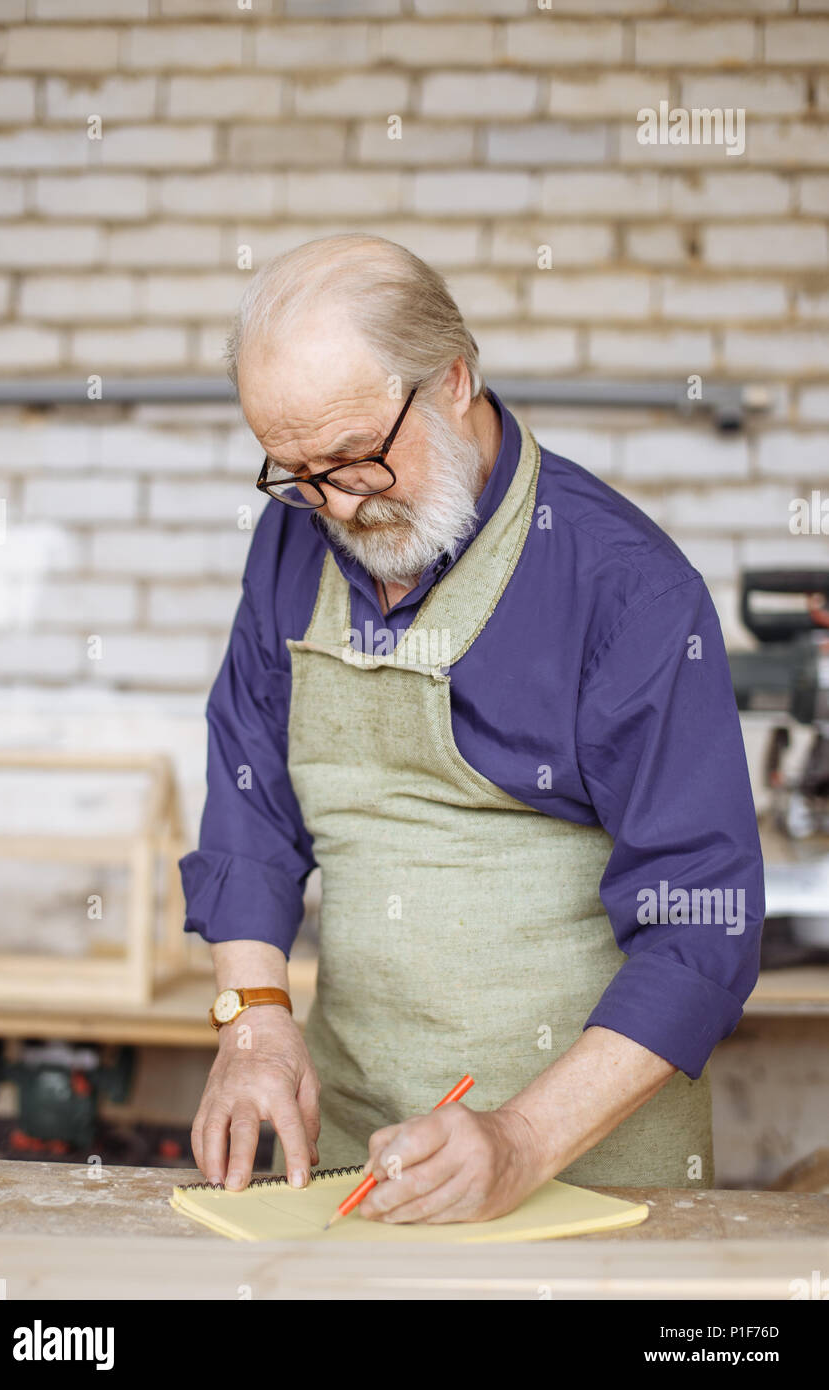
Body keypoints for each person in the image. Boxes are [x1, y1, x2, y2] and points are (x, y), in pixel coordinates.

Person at [180, 233, 764, 1225]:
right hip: (353, 1158)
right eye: (294, 471)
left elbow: (700, 926)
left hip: (591, 1168)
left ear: (452, 380)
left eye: (356, 457)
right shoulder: (294, 539)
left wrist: (521, 1139)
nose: (332, 503)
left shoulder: (625, 589)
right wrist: (254, 1019)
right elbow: (248, 808)